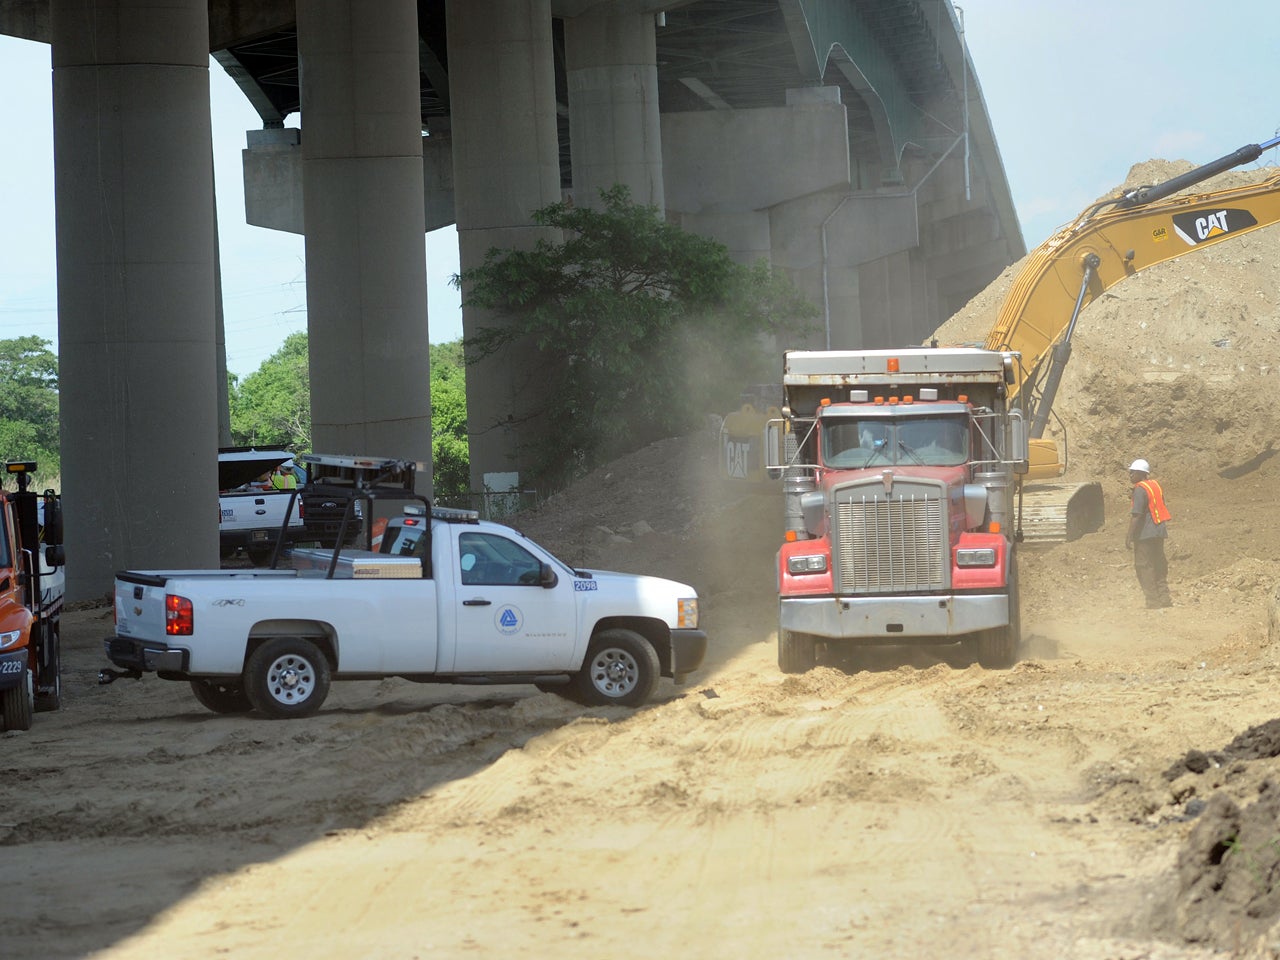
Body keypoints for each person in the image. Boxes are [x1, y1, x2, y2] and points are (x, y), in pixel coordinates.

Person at [1125, 458, 1173, 609]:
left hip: (1145, 533)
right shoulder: (1155, 486)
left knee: (1144, 566)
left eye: (1133, 472)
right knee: (1159, 564)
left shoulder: (1140, 489)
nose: (1130, 475)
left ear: (1141, 473)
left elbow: (1137, 515)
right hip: (1158, 531)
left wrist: (1129, 536)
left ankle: (1152, 601)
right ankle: (1164, 599)